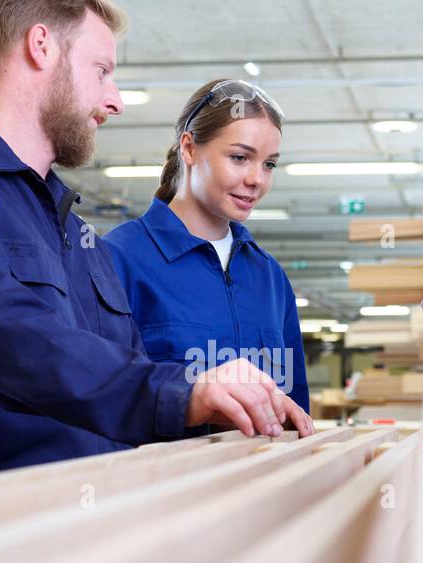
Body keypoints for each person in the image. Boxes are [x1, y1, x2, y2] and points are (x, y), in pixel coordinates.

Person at [0, 0, 312, 490]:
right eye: (102, 71)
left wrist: (219, 408)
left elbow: (117, 377)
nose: (114, 101)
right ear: (40, 47)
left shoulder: (73, 231)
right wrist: (180, 393)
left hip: (79, 523)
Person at [104, 79, 309, 415]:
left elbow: (294, 404)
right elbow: (103, 396)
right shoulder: (117, 259)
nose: (257, 179)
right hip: (162, 467)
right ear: (189, 148)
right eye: (240, 157)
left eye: (269, 164)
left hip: (264, 467)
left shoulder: (269, 277)